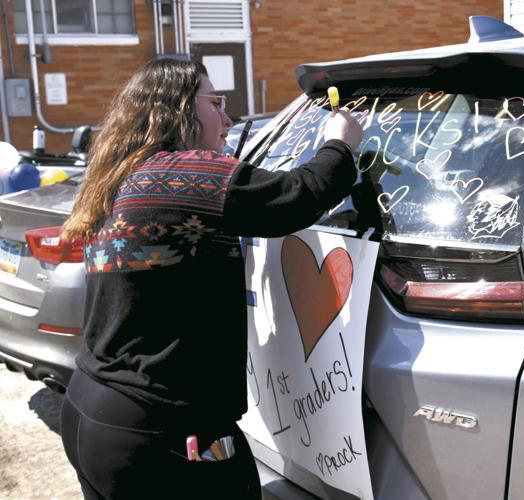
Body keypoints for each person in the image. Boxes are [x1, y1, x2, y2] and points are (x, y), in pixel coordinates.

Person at [59, 58, 363, 499]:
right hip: (159, 431)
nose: (227, 118)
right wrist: (340, 145)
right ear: (178, 108)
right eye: (216, 102)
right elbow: (296, 198)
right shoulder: (183, 174)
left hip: (93, 408)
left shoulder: (126, 176)